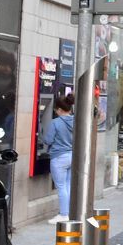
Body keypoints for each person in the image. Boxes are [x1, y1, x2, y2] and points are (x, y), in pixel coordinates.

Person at [44, 93, 75, 222]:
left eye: (56, 110)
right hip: (72, 156)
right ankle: (67, 212)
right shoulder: (76, 120)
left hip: (59, 157)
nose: (55, 112)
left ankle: (63, 214)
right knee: (67, 185)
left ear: (60, 110)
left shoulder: (55, 123)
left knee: (61, 186)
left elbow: (48, 140)